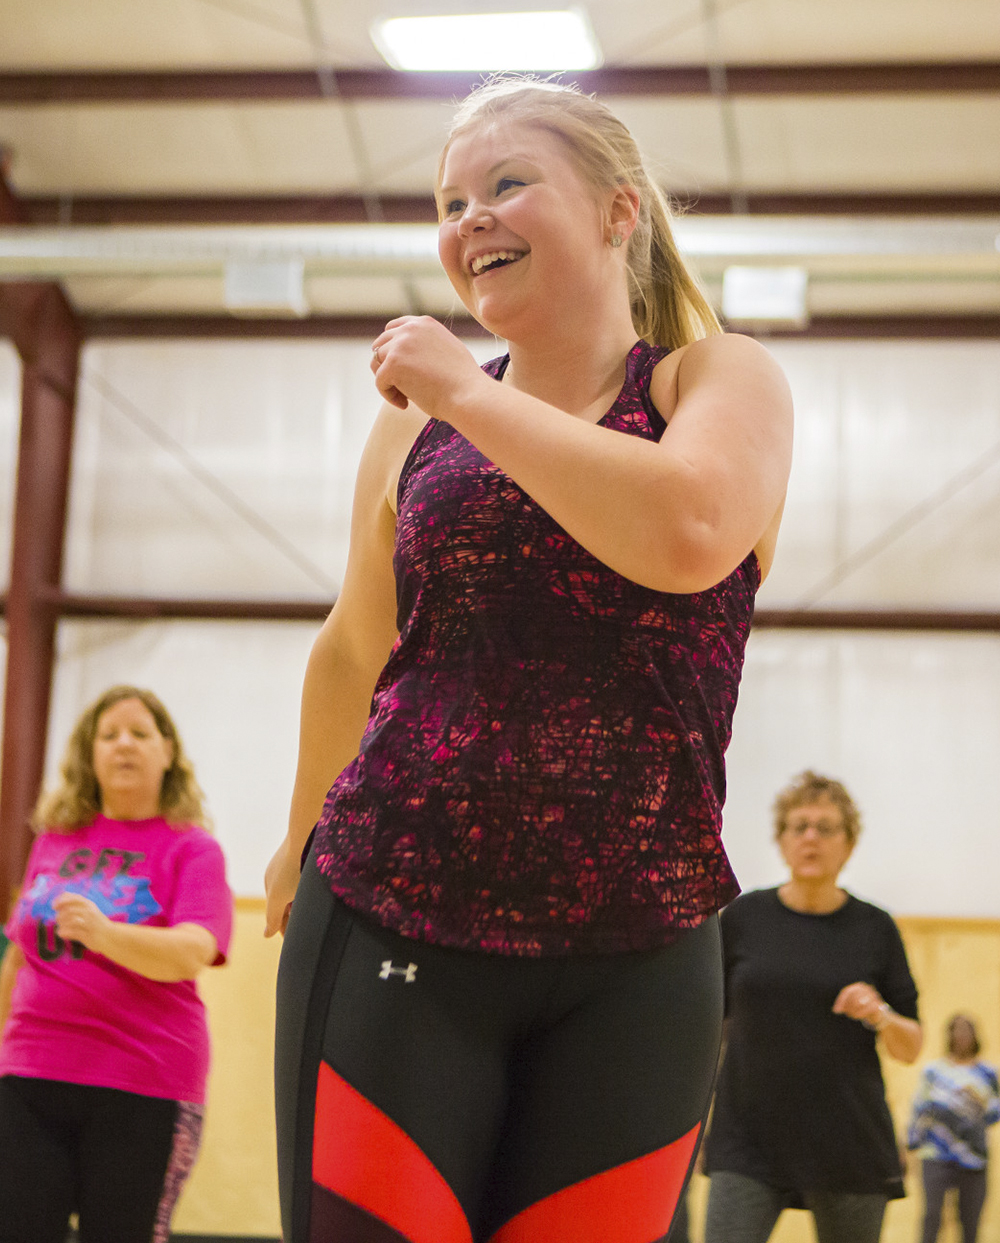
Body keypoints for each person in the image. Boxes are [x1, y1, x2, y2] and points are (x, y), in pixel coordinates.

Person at [265, 73, 793, 1243]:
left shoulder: (713, 381)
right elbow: (355, 647)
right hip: (392, 914)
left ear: (619, 211)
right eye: (450, 202)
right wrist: (300, 838)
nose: (469, 222)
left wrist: (463, 390)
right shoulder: (409, 431)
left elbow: (688, 530)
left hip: (640, 954)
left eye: (508, 185)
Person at [0, 685, 233, 1243]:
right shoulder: (54, 839)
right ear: (91, 755)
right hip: (31, 1073)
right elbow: (18, 956)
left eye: (139, 732)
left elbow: (192, 951)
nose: (123, 744)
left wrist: (106, 935)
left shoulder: (192, 848)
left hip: (142, 1078)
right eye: (109, 735)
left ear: (168, 751)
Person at [703, 770, 924, 1243]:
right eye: (798, 826)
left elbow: (911, 1046)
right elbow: (703, 1024)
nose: (811, 838)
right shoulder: (743, 917)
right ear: (780, 841)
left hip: (850, 1143)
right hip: (747, 1141)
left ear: (848, 844)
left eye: (826, 828)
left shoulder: (875, 927)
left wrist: (880, 1013)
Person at [908, 1013, 999, 1243]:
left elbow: (994, 1113)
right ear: (949, 1036)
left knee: (970, 1222)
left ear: (975, 1035)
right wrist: (910, 1144)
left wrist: (974, 1105)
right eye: (956, 1030)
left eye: (967, 1030)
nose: (962, 1036)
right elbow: (920, 1109)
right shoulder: (933, 1072)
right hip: (935, 1155)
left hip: (974, 1156)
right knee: (932, 1217)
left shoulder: (988, 1074)